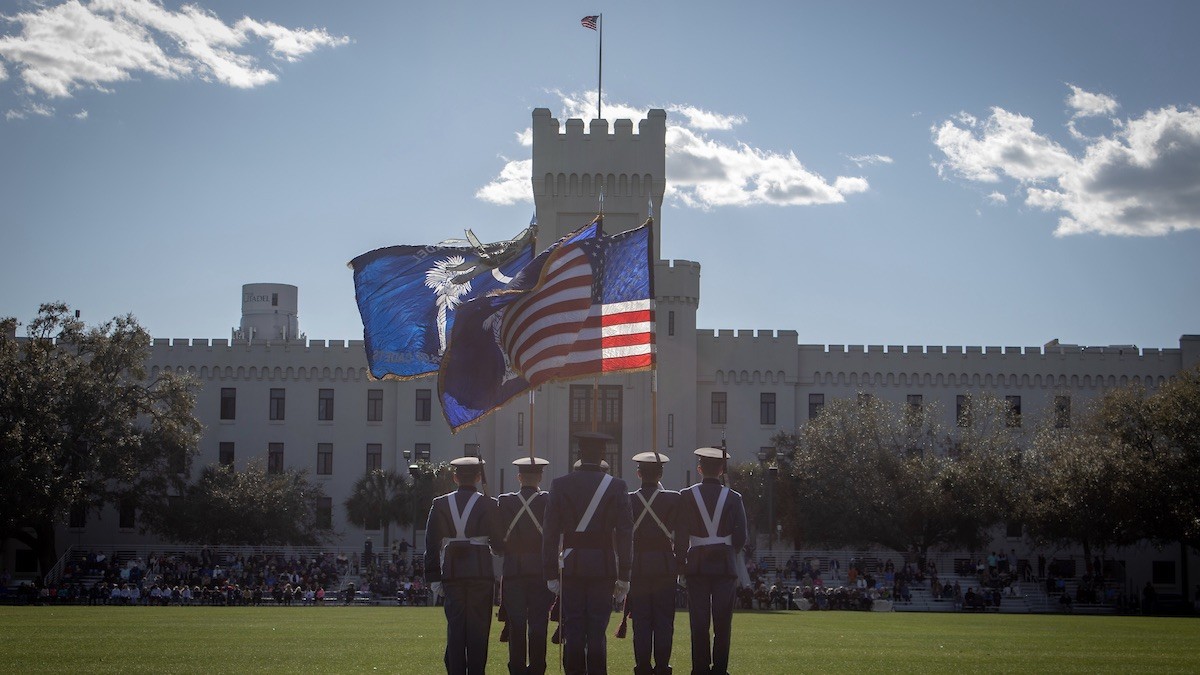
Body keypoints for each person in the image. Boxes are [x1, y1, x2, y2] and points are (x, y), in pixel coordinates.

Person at [542, 431, 634, 675]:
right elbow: (625, 533)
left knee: (573, 627)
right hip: (603, 566)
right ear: (603, 454)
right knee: (596, 629)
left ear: (579, 454)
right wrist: (624, 574)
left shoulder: (560, 484)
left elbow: (549, 533)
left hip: (571, 565)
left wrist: (551, 572)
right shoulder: (617, 486)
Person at [425, 456, 504, 675]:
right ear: (479, 478)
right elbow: (498, 545)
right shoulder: (489, 503)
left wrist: (433, 578)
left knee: (456, 628)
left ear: (455, 477)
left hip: (452, 571)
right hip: (480, 572)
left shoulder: (440, 504)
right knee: (479, 630)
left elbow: (431, 543)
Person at [676, 447, 747, 675]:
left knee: (698, 620)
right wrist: (726, 550)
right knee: (723, 621)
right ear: (721, 470)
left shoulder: (686, 495)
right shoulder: (734, 497)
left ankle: (699, 668)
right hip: (725, 563)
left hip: (696, 562)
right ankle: (720, 669)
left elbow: (680, 533)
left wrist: (681, 561)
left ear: (699, 469)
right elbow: (741, 536)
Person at [625, 451, 681, 675]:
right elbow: (682, 532)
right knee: (664, 621)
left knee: (641, 621)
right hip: (665, 565)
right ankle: (662, 666)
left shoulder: (628, 499)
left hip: (637, 566)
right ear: (660, 473)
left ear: (638, 473)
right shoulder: (674, 498)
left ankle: (643, 666)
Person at [498, 456, 554, 675]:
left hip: (513, 571)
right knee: (539, 624)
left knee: (517, 625)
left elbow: (499, 536)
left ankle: (517, 669)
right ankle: (538, 668)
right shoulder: (548, 500)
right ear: (540, 476)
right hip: (540, 571)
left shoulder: (505, 501)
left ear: (519, 477)